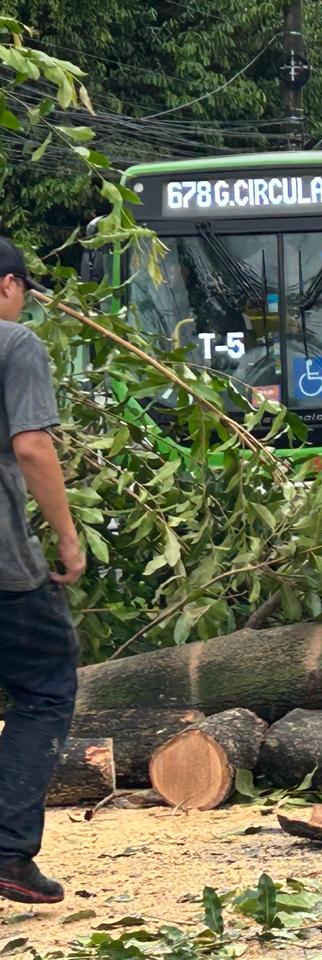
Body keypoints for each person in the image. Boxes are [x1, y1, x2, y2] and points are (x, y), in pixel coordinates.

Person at [0, 237, 86, 904]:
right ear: (8, 286)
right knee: (48, 682)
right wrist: (66, 537)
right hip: (4, 567)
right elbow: (32, 446)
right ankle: (7, 851)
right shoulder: (14, 342)